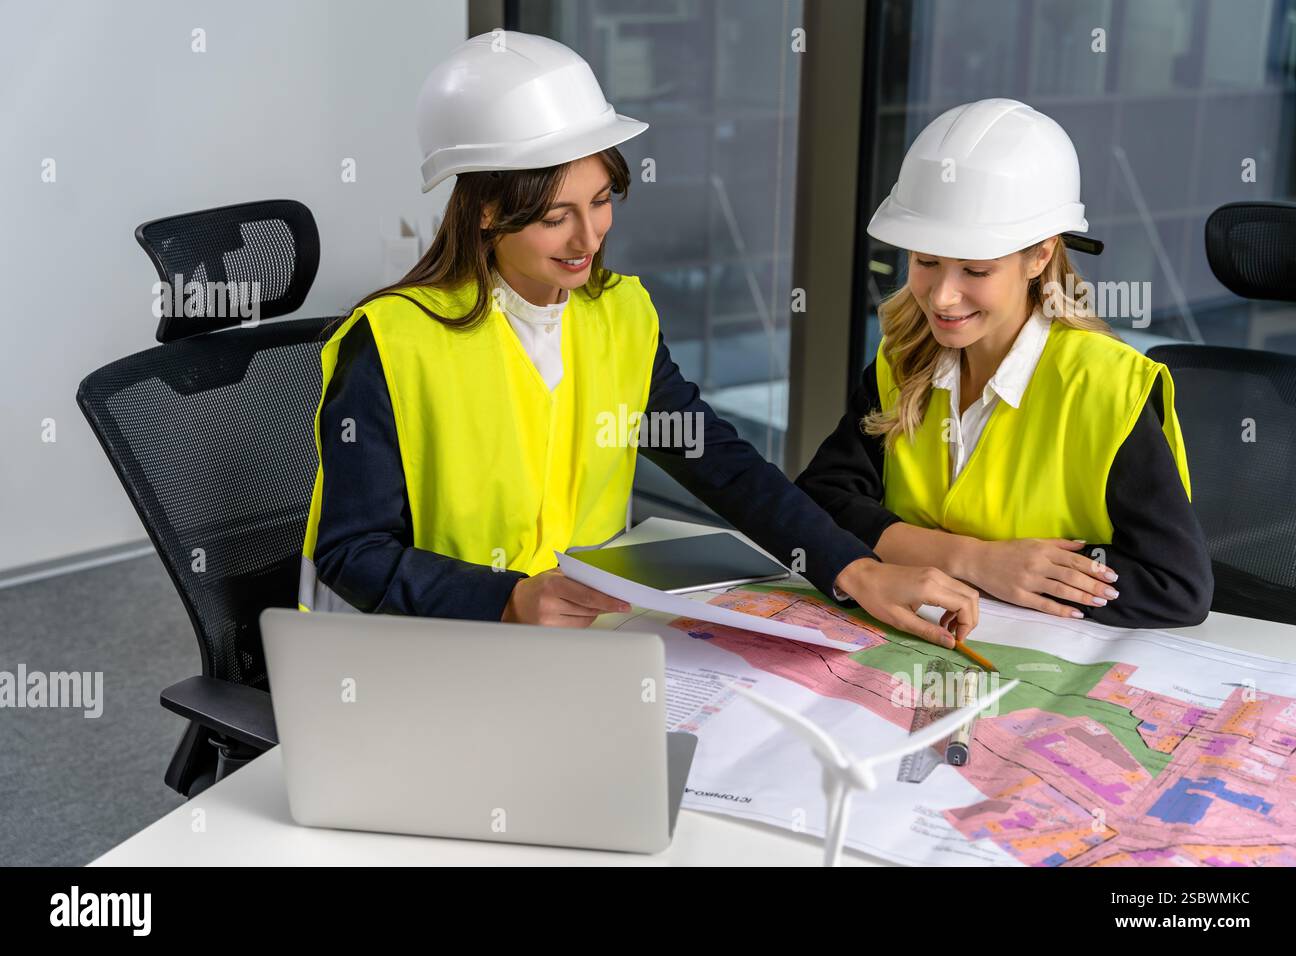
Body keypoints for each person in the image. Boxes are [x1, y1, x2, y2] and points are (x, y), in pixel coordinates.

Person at [297, 31, 981, 648]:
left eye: (600, 202)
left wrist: (855, 571)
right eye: (556, 217)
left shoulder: (620, 317)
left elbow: (723, 466)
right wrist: (507, 598)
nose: (587, 239)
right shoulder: (390, 343)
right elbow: (352, 551)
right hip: (435, 653)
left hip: (580, 644)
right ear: (485, 211)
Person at [796, 98, 1213, 629]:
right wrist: (974, 561)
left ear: (1039, 256)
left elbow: (1175, 587)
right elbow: (818, 500)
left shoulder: (1110, 388)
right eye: (926, 261)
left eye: (975, 269)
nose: (943, 297)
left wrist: (942, 555)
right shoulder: (903, 357)